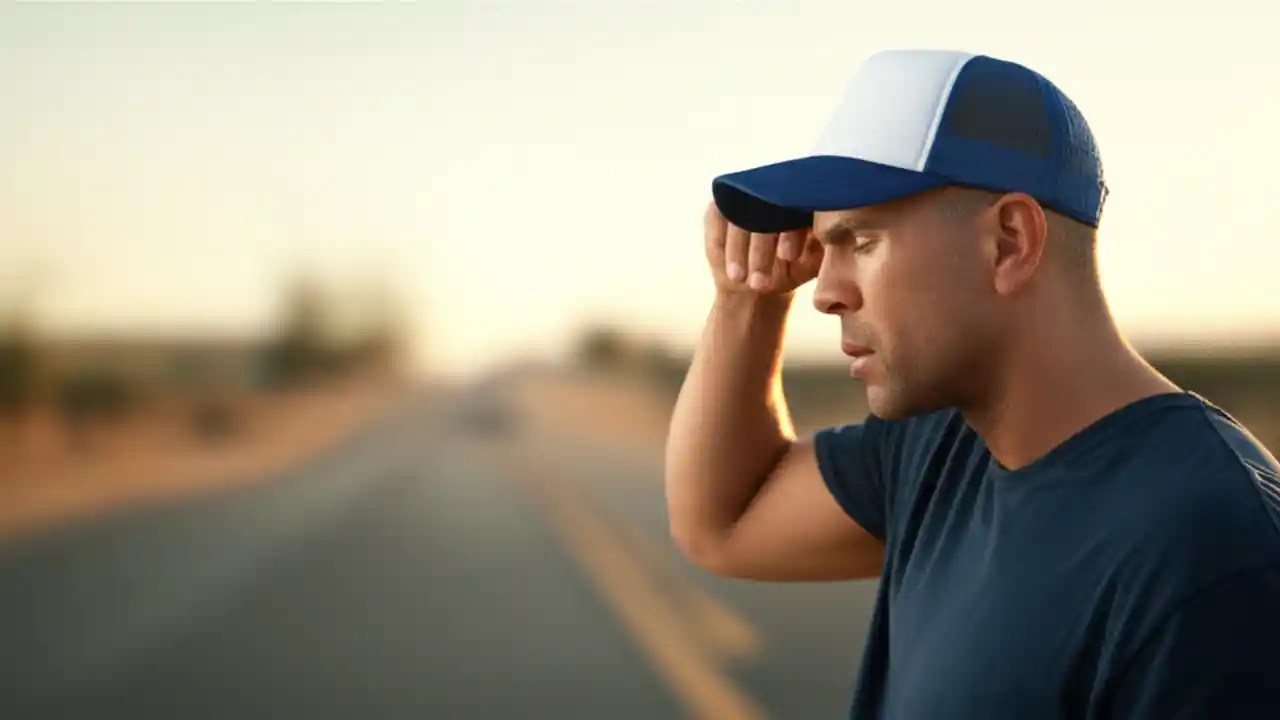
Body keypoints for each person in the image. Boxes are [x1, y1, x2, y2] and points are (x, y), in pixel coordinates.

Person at [664, 49, 1280, 718]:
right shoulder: (940, 441)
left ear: (1009, 241)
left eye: (862, 242)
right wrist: (747, 297)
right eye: (822, 246)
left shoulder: (1212, 552)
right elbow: (724, 524)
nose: (826, 292)